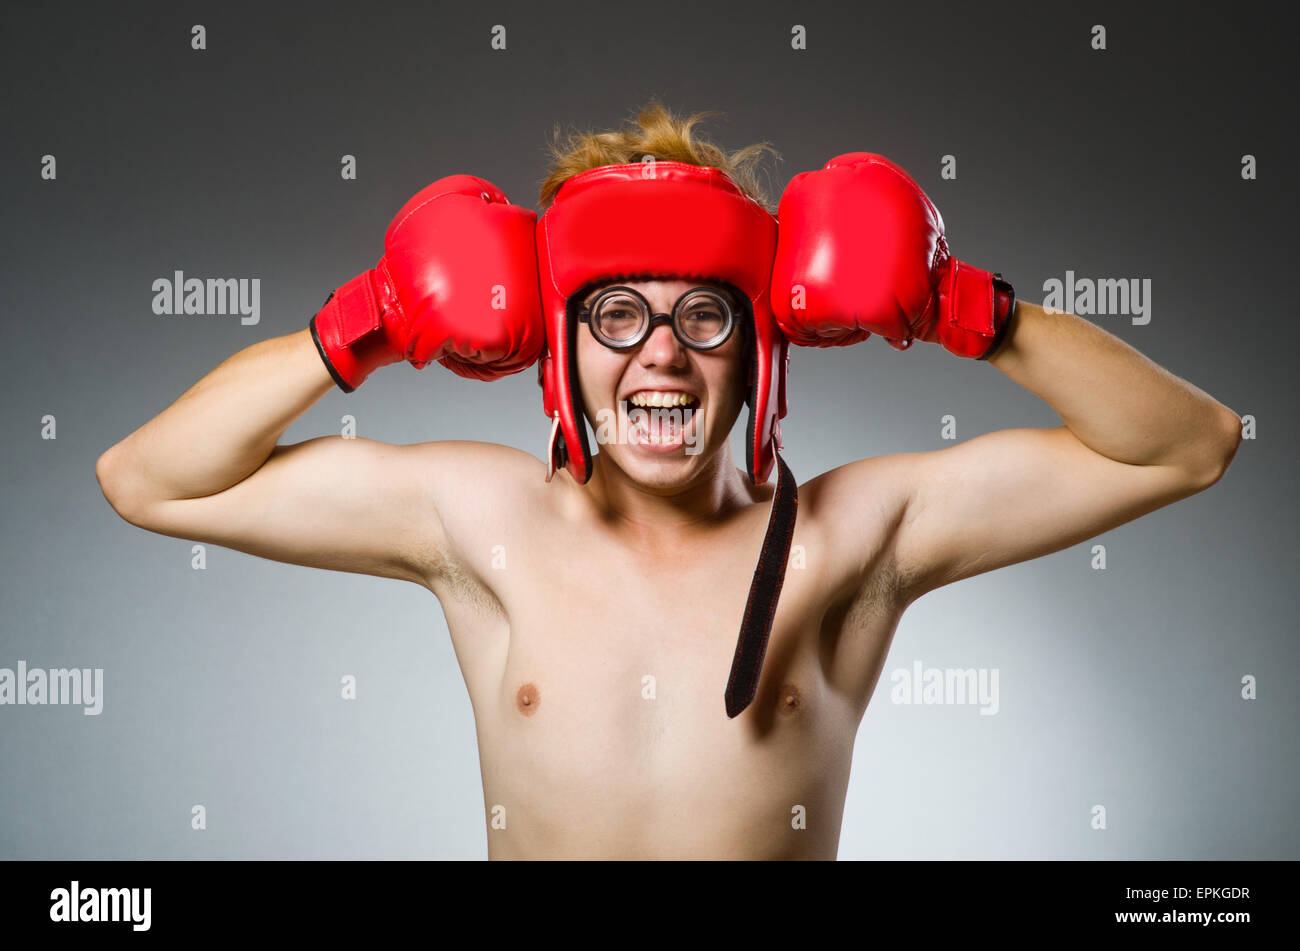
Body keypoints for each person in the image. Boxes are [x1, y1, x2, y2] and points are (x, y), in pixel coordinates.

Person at [95, 103, 1241, 859]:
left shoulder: (854, 536)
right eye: (615, 314)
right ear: (558, 348)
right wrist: (368, 325)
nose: (659, 352)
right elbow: (149, 481)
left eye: (703, 314)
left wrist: (956, 303)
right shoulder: (476, 519)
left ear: (758, 347)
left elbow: (1189, 443)